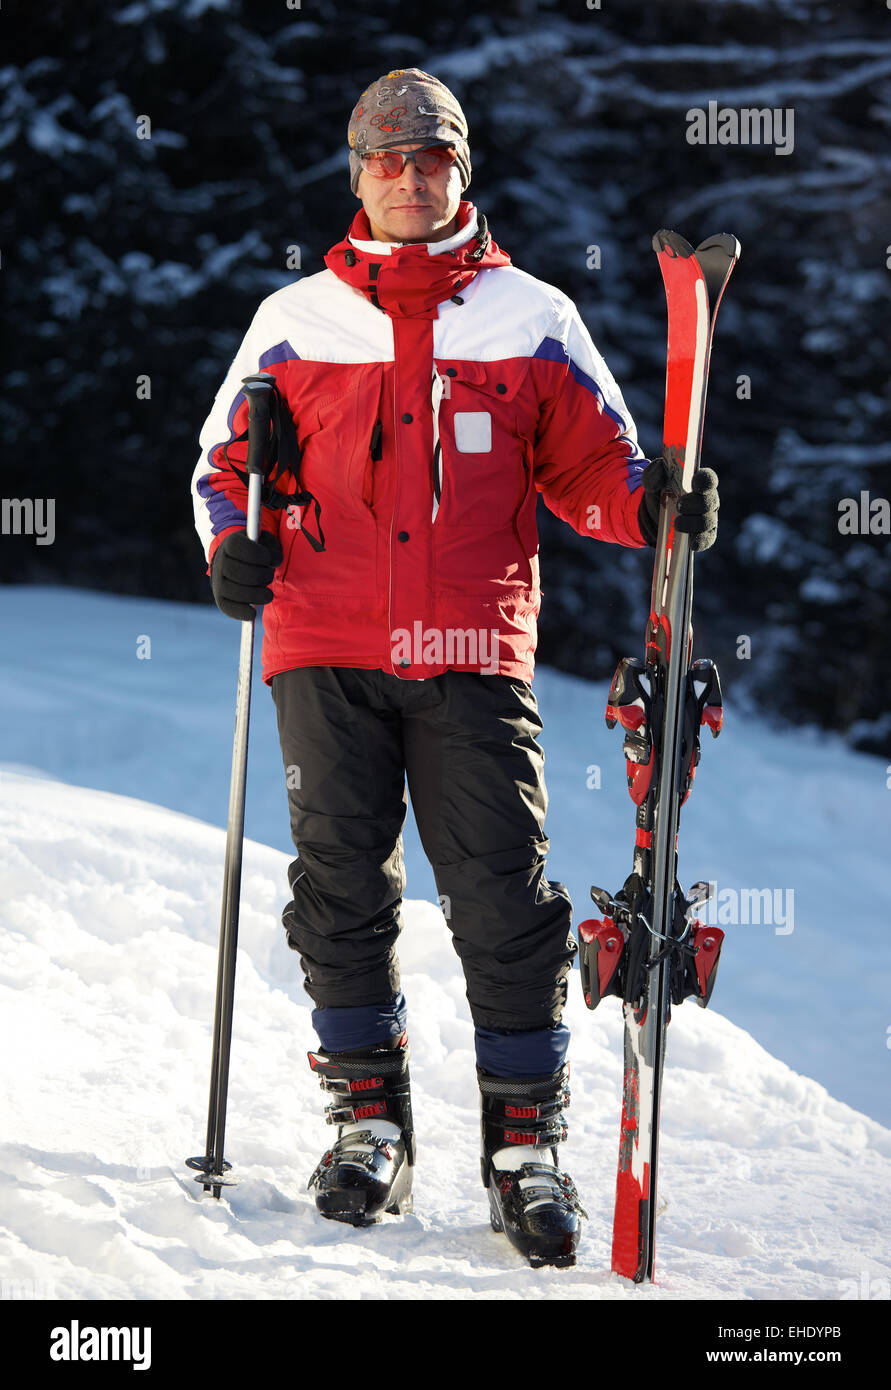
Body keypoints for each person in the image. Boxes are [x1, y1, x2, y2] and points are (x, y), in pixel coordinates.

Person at [191, 68, 718, 1268]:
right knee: (339, 881)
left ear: (460, 173)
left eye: (433, 159)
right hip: (321, 641)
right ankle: (369, 1122)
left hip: (473, 644)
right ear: (358, 176)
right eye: (389, 160)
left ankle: (524, 1146)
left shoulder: (530, 315)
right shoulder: (292, 319)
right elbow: (221, 463)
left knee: (499, 891)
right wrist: (234, 545)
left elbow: (599, 469)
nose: (411, 177)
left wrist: (659, 507)